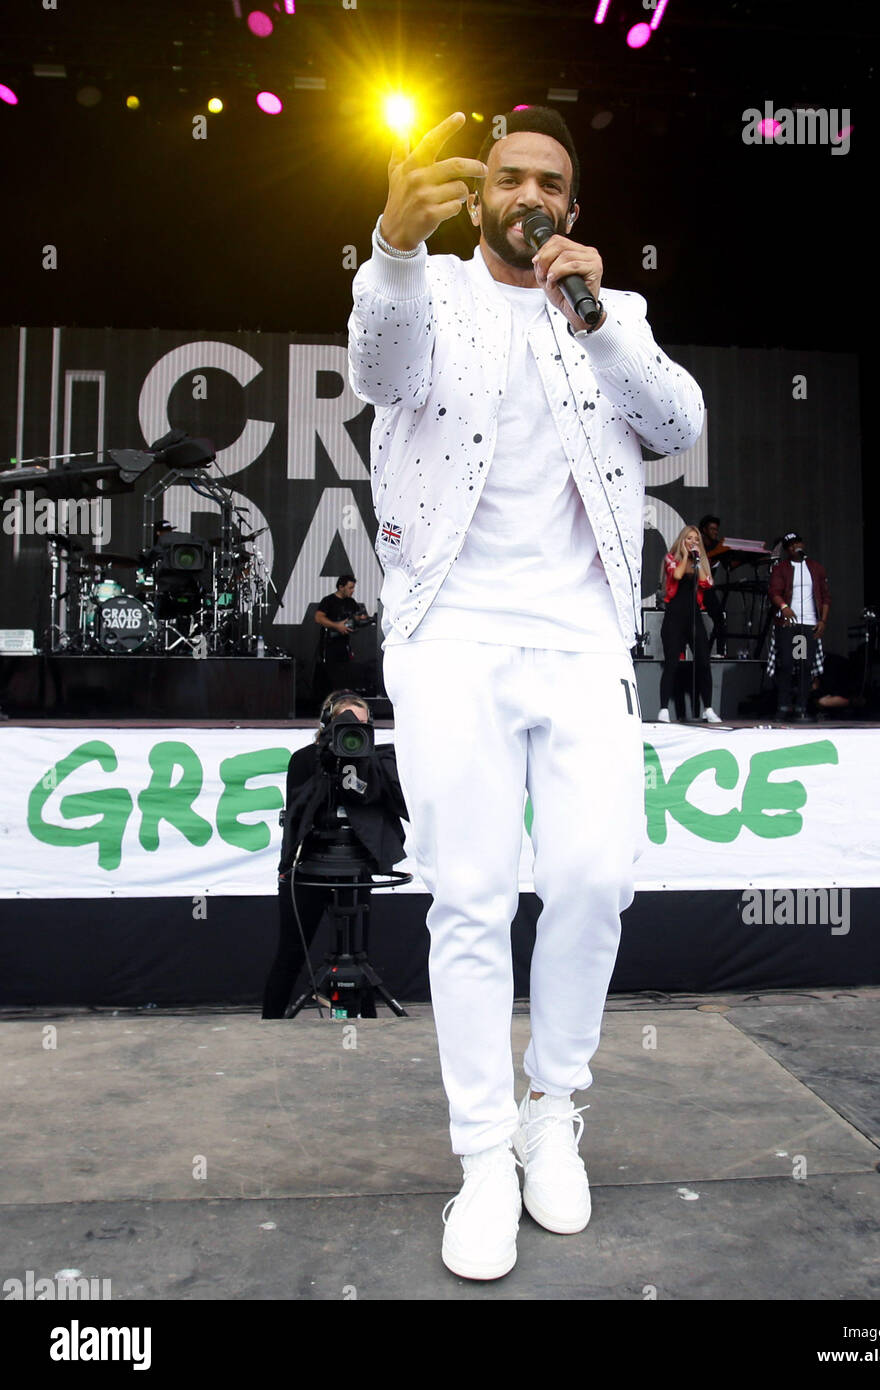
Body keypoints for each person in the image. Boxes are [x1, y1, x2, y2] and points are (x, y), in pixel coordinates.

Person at [348, 105, 704, 1280]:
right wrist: (392, 247)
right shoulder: (432, 290)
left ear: (572, 206)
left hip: (579, 637)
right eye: (508, 177)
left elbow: (678, 428)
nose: (526, 194)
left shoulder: (612, 315)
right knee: (471, 896)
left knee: (597, 876)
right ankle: (484, 1154)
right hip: (452, 631)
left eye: (549, 180)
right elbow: (381, 370)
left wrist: (599, 324)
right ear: (480, 190)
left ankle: (555, 1105)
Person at [261, 692, 406, 1018]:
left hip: (354, 869)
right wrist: (331, 765)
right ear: (328, 726)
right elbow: (303, 813)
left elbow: (385, 800)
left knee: (358, 957)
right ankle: (269, 1026)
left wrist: (359, 769)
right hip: (309, 869)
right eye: (346, 725)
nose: (353, 733)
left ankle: (360, 1026)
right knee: (290, 955)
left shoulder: (378, 764)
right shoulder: (304, 760)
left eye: (362, 725)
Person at [657, 525, 720, 723]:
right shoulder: (671, 558)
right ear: (682, 539)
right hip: (674, 617)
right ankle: (663, 709)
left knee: (703, 661)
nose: (693, 541)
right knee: (671, 663)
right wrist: (684, 555)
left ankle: (708, 708)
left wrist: (698, 559)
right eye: (689, 538)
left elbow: (706, 583)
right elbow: (676, 575)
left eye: (696, 539)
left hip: (694, 617)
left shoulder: (700, 562)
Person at [767, 532, 831, 718]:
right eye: (791, 545)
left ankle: (801, 707)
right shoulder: (782, 568)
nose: (795, 547)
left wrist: (823, 621)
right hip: (789, 624)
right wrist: (784, 607)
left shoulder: (815, 568)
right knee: (786, 664)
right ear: (787, 550)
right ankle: (784, 706)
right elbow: (774, 591)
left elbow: (826, 597)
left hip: (807, 624)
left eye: (797, 543)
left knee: (803, 664)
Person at [314, 575, 370, 695]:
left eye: (353, 588)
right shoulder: (328, 600)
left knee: (344, 675)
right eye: (350, 588)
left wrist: (361, 619)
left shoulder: (351, 602)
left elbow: (356, 618)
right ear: (341, 587)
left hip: (344, 645)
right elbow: (318, 618)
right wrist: (337, 626)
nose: (352, 591)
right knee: (329, 676)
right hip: (329, 645)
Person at [697, 514, 728, 658]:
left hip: (706, 588)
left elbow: (730, 564)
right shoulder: (696, 544)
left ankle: (720, 652)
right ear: (704, 530)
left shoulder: (718, 545)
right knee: (691, 621)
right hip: (692, 588)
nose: (715, 532)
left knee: (719, 617)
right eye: (712, 529)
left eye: (717, 529)